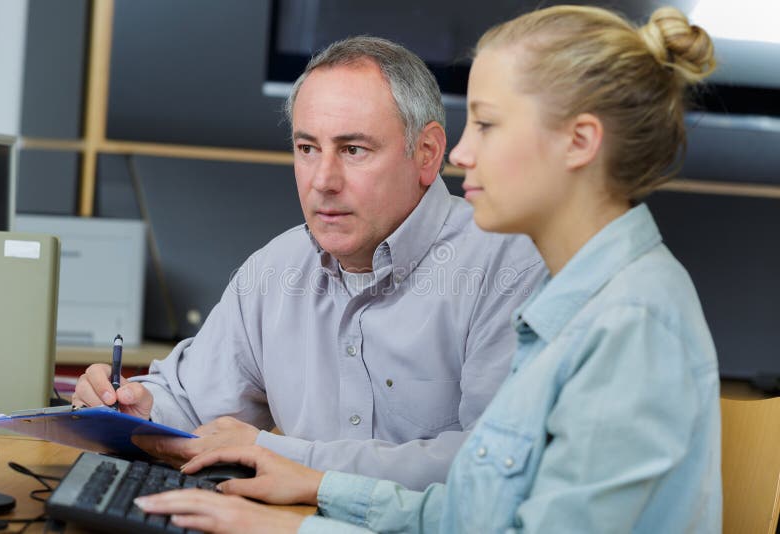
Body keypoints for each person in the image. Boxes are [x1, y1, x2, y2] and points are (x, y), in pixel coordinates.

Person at [132, 5, 722, 533]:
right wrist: (318, 489)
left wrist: (287, 529)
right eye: (306, 147)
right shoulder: (584, 300)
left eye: (487, 125)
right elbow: (473, 513)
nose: (462, 155)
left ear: (579, 142)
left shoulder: (631, 321)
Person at [72, 36, 545, 490]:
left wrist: (281, 457)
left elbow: (491, 464)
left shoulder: (509, 266)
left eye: (353, 150)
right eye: (307, 149)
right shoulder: (274, 269)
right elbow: (191, 404)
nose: (323, 181)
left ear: (427, 154)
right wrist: (134, 409)